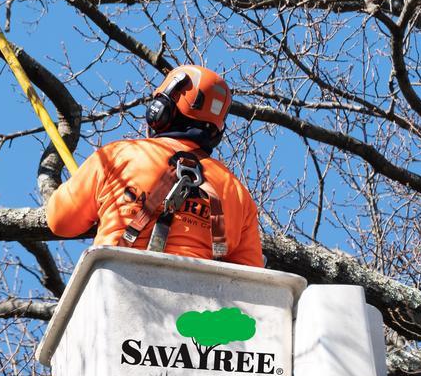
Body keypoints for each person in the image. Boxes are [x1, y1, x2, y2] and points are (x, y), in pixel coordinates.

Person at [45, 65, 265, 267]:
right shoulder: (237, 194)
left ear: (160, 110)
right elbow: (249, 281)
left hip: (114, 296)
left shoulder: (117, 157)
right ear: (216, 131)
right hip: (193, 308)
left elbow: (60, 221)